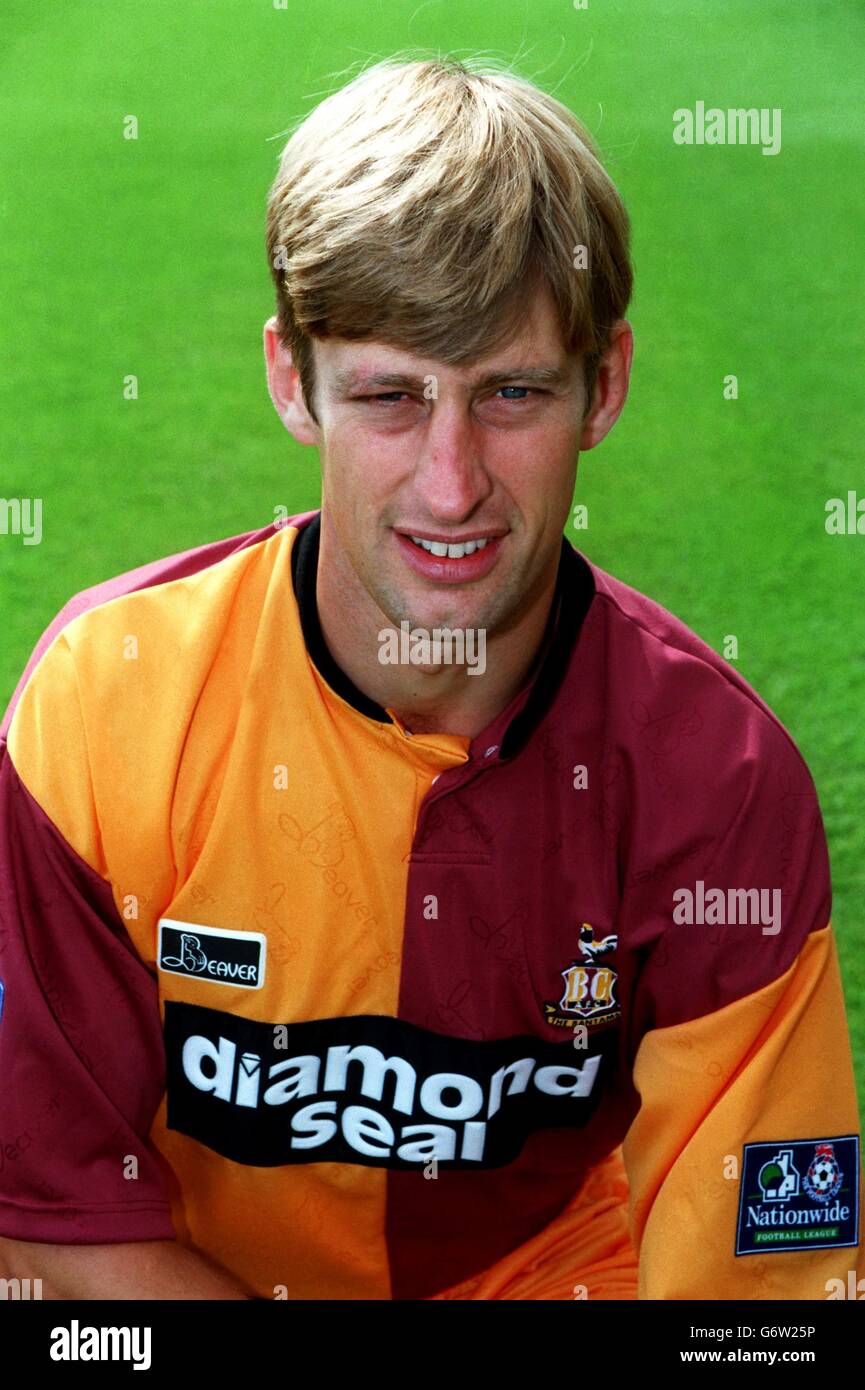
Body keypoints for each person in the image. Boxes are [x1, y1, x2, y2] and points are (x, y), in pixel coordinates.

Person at [0, 55, 861, 1302]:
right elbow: (44, 1216)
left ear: (602, 386)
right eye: (390, 396)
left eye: (510, 393)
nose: (451, 484)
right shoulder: (107, 697)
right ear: (293, 380)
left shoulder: (715, 782)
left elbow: (766, 1295)